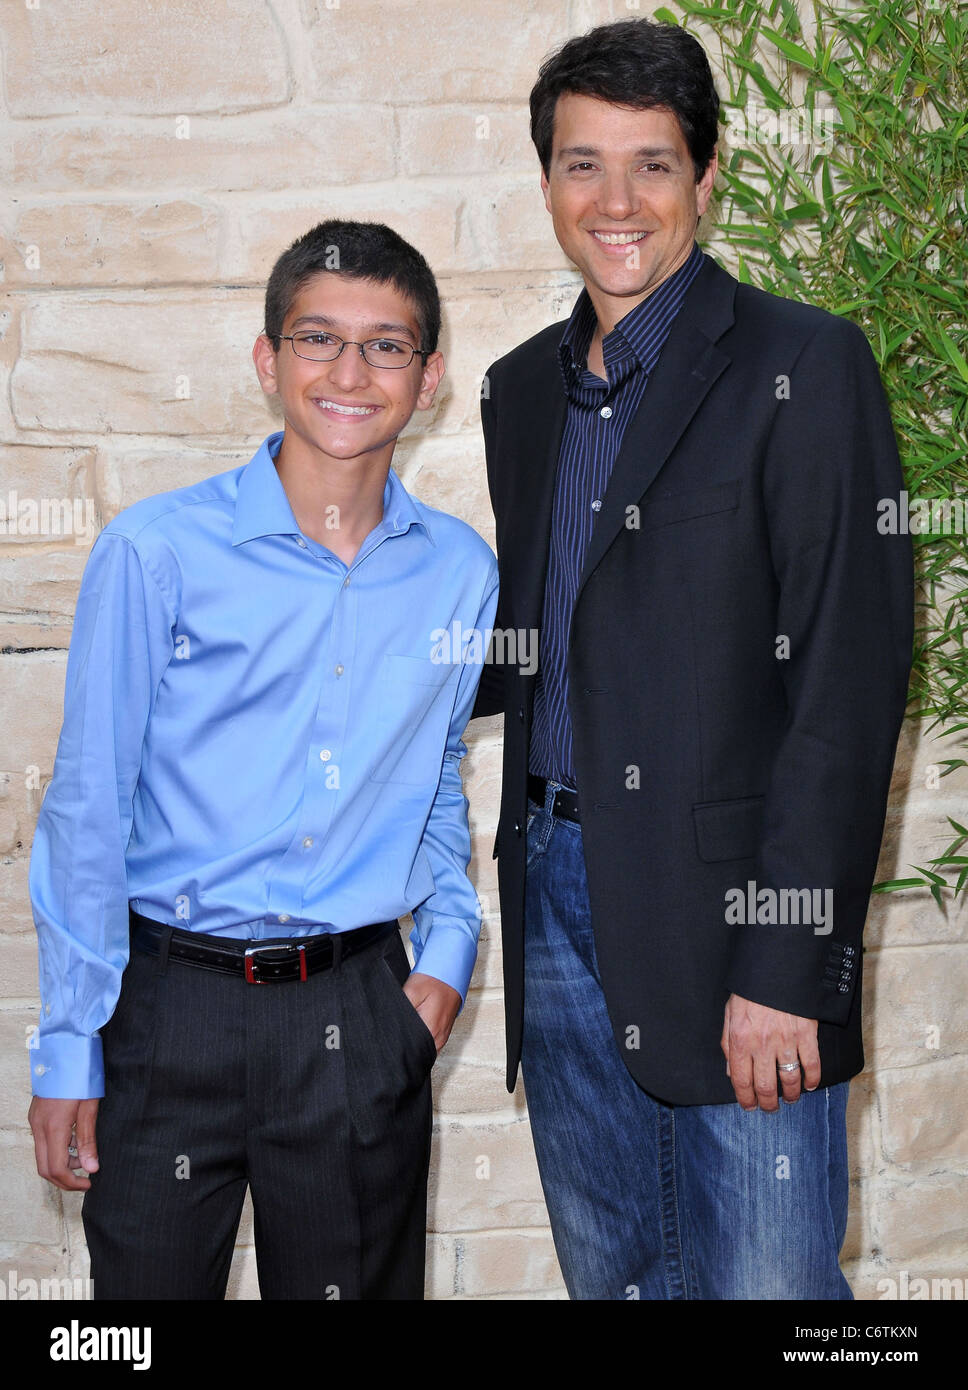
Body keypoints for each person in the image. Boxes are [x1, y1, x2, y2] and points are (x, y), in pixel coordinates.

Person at [472, 18, 912, 1300]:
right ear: (545, 180)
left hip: (736, 915)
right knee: (612, 1276)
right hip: (553, 889)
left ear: (705, 177)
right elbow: (544, 635)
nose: (615, 202)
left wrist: (786, 970)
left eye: (651, 165)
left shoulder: (802, 362)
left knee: (768, 1289)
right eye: (580, 163)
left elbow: (846, 682)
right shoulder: (520, 391)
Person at [27, 219, 498, 1301]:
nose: (349, 371)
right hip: (164, 1014)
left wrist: (446, 955)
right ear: (266, 359)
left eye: (386, 345)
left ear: (426, 379)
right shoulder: (155, 551)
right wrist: (68, 1043)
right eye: (316, 338)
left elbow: (431, 772)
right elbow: (92, 801)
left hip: (357, 1016)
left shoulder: (458, 575)